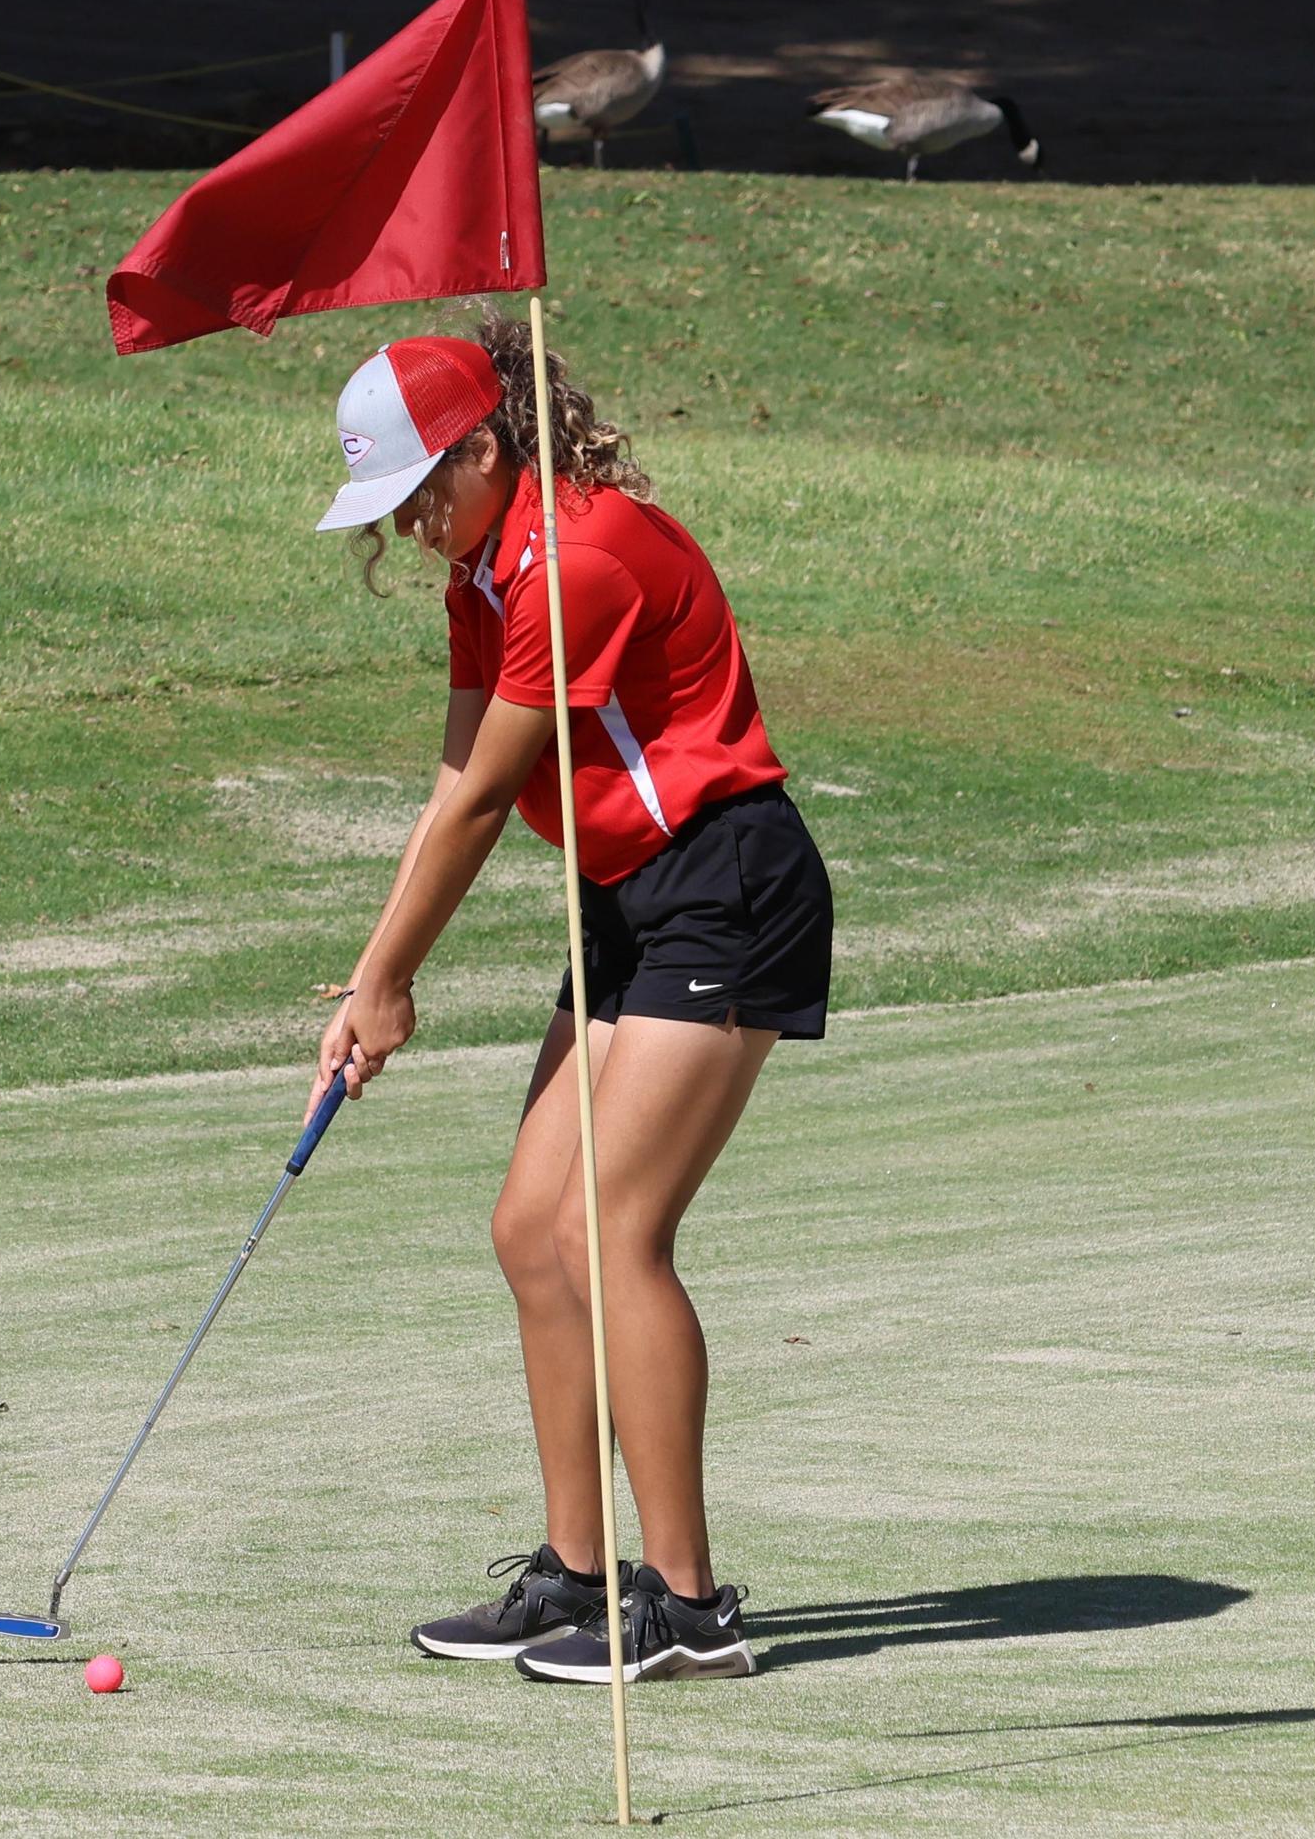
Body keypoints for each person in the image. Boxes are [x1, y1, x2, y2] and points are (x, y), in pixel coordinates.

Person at [309, 309, 833, 1685]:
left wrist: (392, 985)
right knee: (532, 1229)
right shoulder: (481, 577)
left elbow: (489, 801)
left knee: (613, 1233)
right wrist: (372, 978)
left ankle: (691, 1605)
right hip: (622, 898)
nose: (412, 522)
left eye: (424, 489)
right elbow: (451, 778)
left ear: (487, 448)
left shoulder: (577, 558)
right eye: (392, 507)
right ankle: (577, 1576)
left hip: (726, 880)